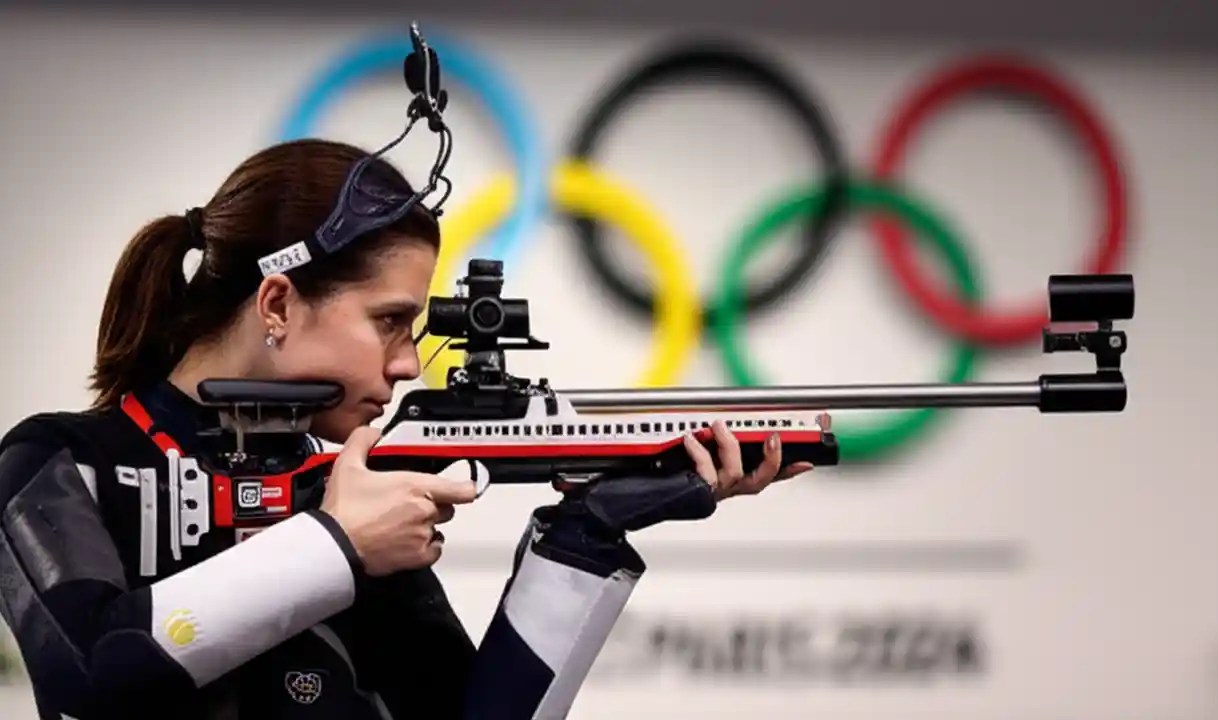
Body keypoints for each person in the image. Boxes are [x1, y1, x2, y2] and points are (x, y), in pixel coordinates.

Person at [0, 136, 814, 720]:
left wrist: (586, 534)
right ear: (278, 303)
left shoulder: (342, 492)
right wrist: (334, 544)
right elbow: (90, 676)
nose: (408, 364)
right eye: (390, 321)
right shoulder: (60, 461)